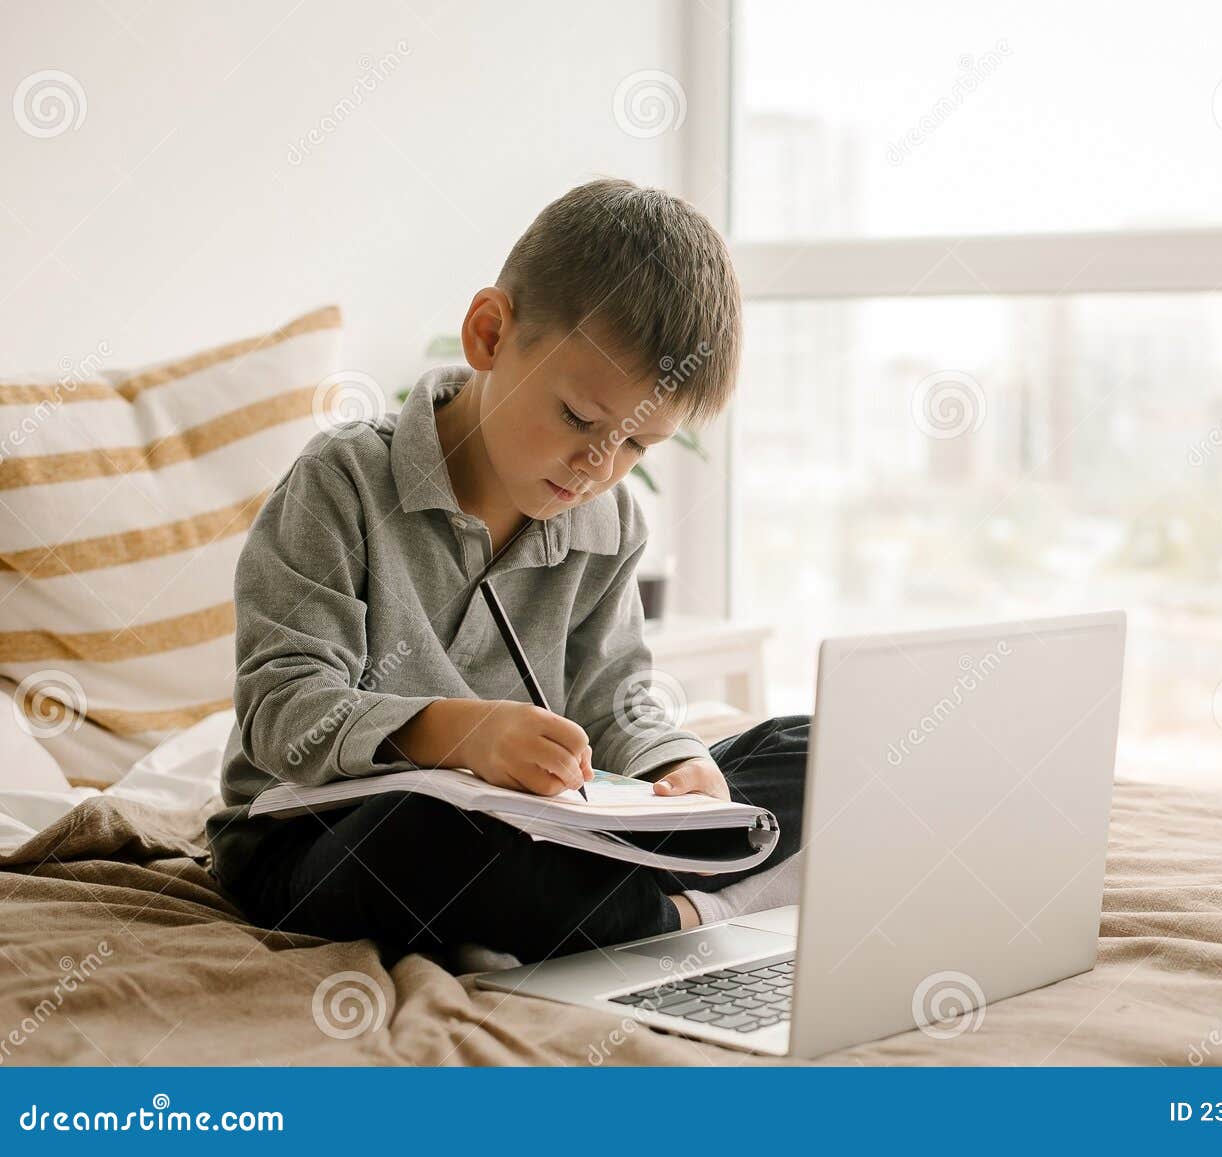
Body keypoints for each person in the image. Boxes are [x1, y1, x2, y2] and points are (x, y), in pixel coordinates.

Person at [205, 178, 806, 966]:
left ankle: (632, 897)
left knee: (813, 748)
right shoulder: (341, 483)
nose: (598, 465)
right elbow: (284, 710)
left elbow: (611, 699)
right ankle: (681, 915)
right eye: (579, 420)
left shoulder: (609, 522)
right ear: (489, 334)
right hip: (317, 835)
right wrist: (461, 732)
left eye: (635, 446)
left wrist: (674, 767)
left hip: (536, 825)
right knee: (432, 838)